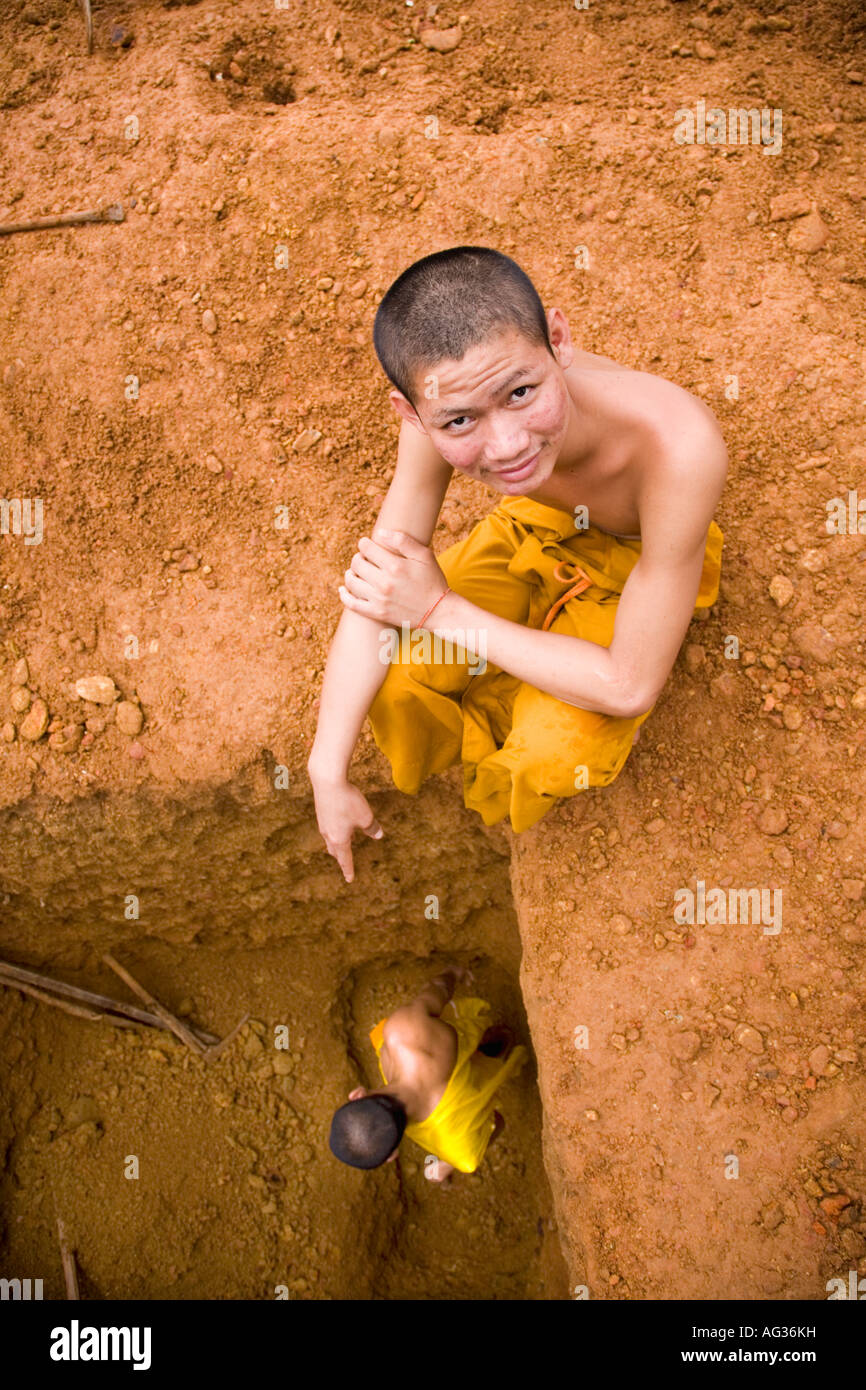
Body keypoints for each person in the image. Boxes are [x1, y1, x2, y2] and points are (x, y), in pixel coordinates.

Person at [308, 246, 727, 880]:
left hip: (645, 558)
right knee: (396, 681)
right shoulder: (435, 409)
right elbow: (379, 587)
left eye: (522, 393)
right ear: (411, 414)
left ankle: (528, 699)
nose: (506, 446)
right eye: (459, 421)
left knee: (550, 756)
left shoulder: (679, 448)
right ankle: (502, 701)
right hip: (532, 531)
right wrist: (324, 770)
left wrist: (441, 611)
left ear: (558, 340)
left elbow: (630, 683)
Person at [328, 964, 526, 1185]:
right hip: (442, 1045)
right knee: (386, 1034)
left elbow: (497, 1123)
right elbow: (436, 990)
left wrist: (448, 1162)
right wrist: (452, 973)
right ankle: (491, 1038)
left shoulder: (457, 1144)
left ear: (393, 1154)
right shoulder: (401, 1033)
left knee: (464, 1154)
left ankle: (495, 1055)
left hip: (464, 1096)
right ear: (357, 1094)